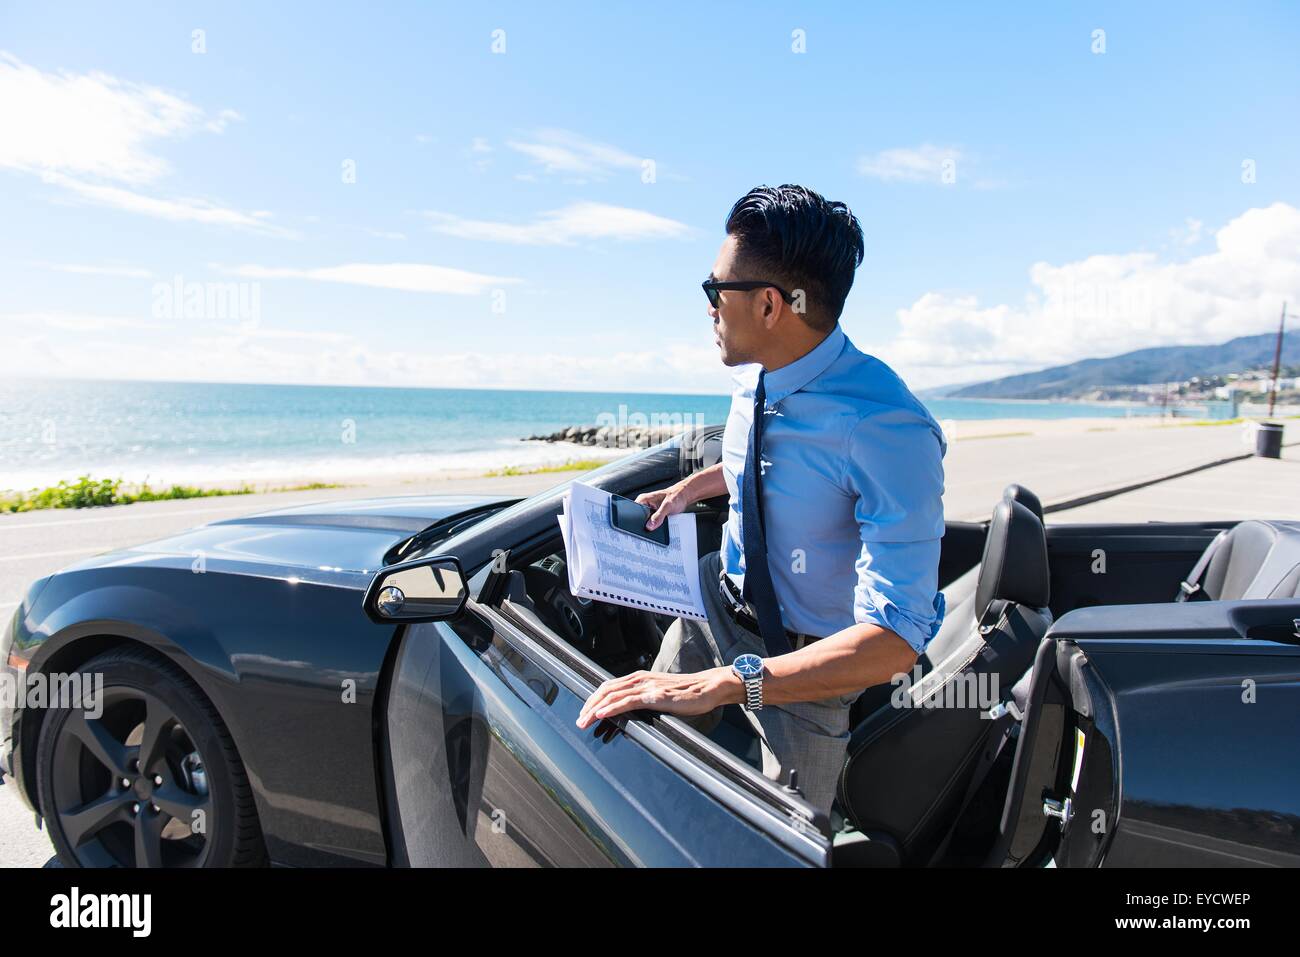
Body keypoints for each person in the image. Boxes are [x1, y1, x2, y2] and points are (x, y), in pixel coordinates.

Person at [576, 184, 947, 816]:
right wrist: (700, 483)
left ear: (771, 304)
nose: (710, 307)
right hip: (714, 609)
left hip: (808, 663)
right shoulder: (755, 371)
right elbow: (769, 459)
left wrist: (732, 685)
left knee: (780, 843)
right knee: (635, 768)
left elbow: (893, 640)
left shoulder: (888, 429)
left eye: (715, 290)